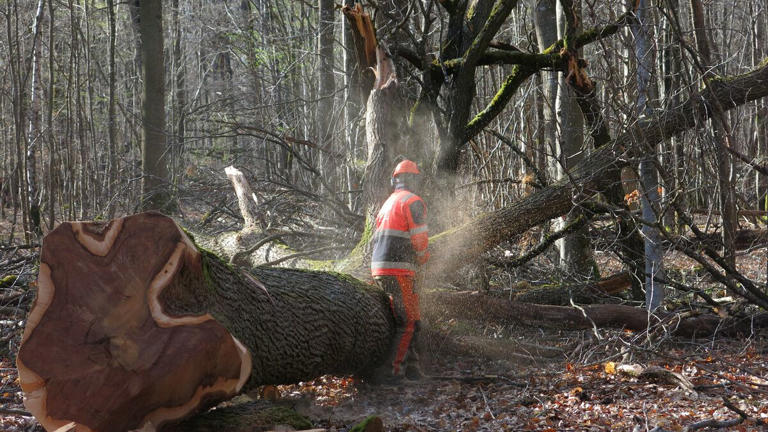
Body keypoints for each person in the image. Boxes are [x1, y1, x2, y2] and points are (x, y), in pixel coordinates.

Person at [370, 159, 429, 383]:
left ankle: (412, 368)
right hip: (398, 269)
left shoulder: (388, 202)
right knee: (408, 322)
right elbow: (420, 238)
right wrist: (424, 258)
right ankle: (394, 373)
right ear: (414, 179)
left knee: (413, 318)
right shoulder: (413, 201)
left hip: (382, 267)